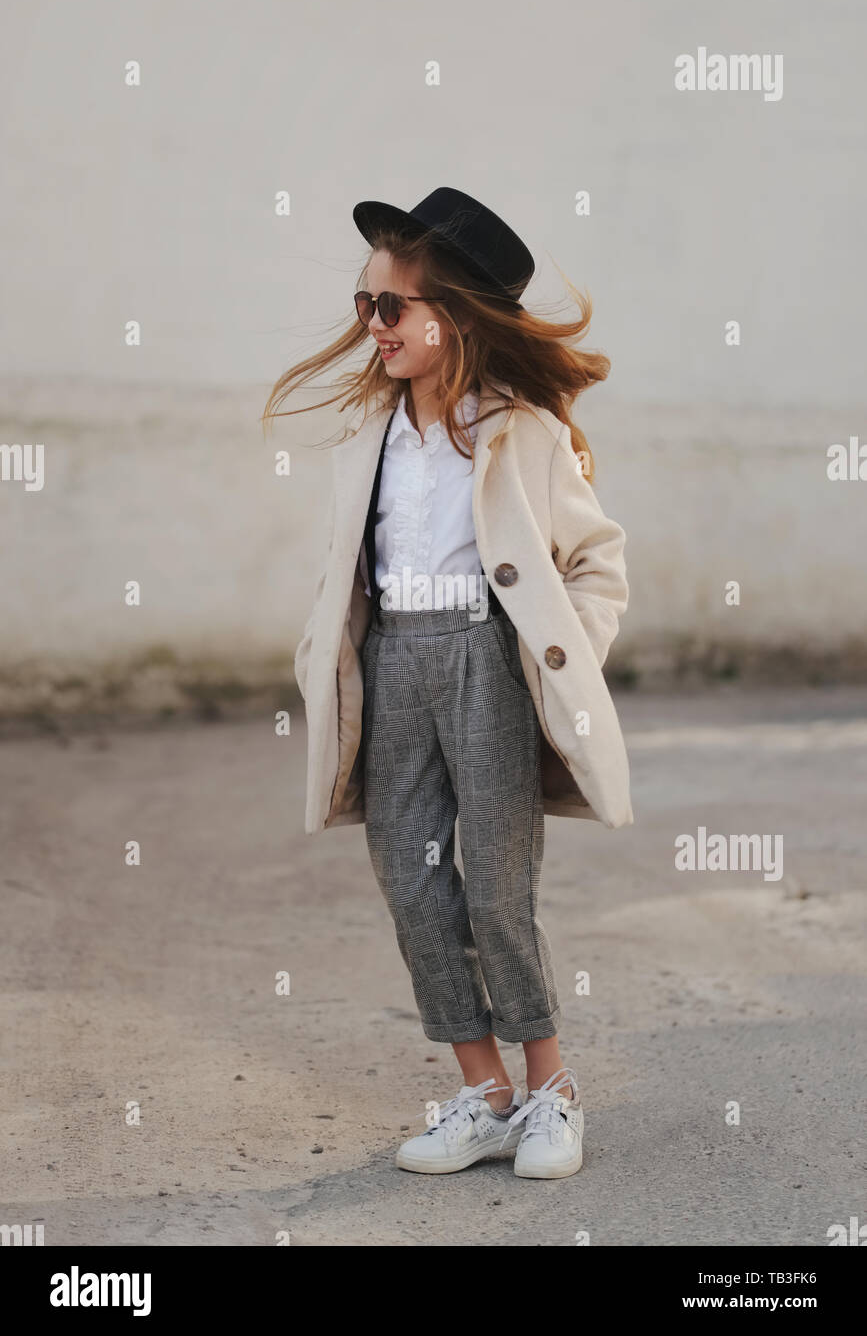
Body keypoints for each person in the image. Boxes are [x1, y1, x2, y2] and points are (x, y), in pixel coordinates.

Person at [263, 187, 633, 1179]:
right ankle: (486, 1093)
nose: (371, 326)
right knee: (413, 881)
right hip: (394, 663)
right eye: (364, 305)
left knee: (499, 888)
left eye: (390, 308)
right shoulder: (370, 440)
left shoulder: (526, 435)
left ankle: (552, 1092)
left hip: (487, 663)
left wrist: (558, 653)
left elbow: (599, 563)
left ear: (450, 319)